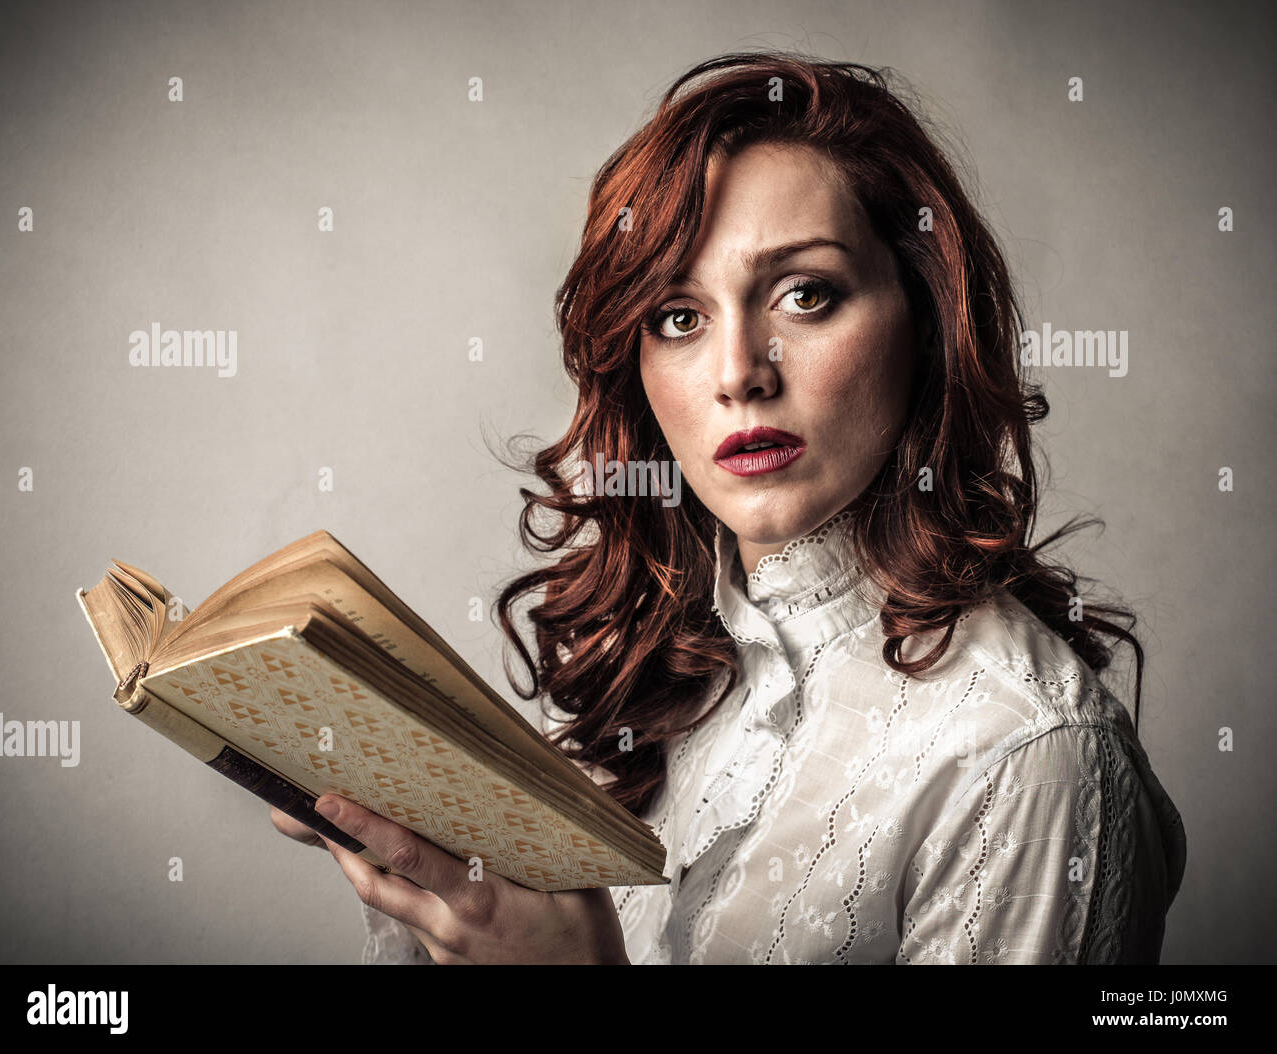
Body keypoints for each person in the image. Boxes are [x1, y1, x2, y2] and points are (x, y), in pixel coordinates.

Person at [271, 50, 1187, 965]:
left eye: (805, 295)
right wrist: (419, 858)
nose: (738, 372)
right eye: (679, 316)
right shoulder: (656, 676)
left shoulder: (1028, 751)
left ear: (927, 318)